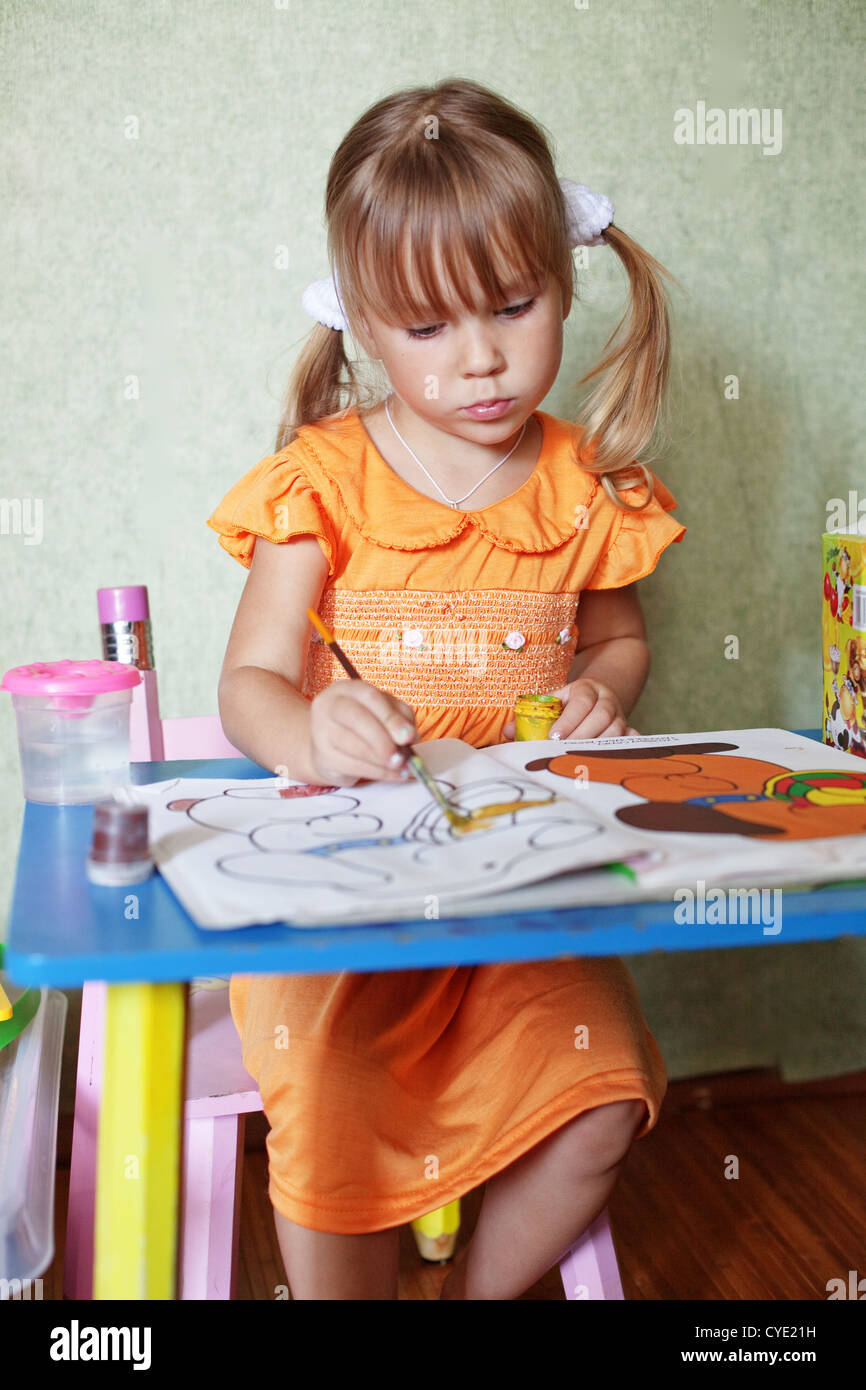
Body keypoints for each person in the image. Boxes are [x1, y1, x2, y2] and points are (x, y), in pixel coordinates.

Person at [207, 77, 686, 1300]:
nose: (478, 359)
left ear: (561, 283)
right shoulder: (321, 480)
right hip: (349, 891)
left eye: (512, 308)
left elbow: (619, 638)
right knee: (328, 1113)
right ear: (363, 325)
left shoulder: (585, 481)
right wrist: (307, 725)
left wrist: (597, 684)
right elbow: (248, 684)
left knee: (603, 1092)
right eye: (426, 330)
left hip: (520, 876)